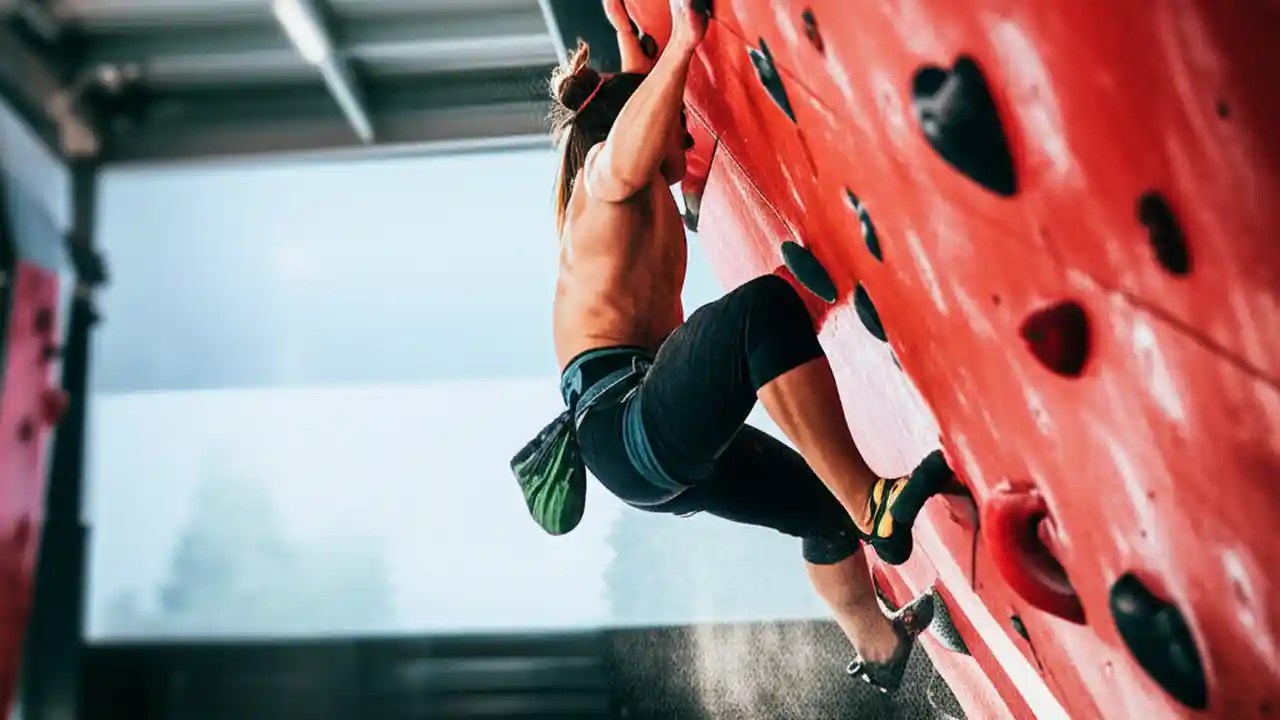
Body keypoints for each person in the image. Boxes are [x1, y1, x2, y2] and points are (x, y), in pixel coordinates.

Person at [531, 0, 953, 692]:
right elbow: (634, 135)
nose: (689, 139)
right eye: (678, 127)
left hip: (646, 450)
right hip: (625, 427)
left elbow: (642, 109)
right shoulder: (603, 182)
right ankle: (872, 502)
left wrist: (624, 34)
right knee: (760, 314)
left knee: (821, 511)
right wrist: (684, 40)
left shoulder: (632, 178)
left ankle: (878, 647)